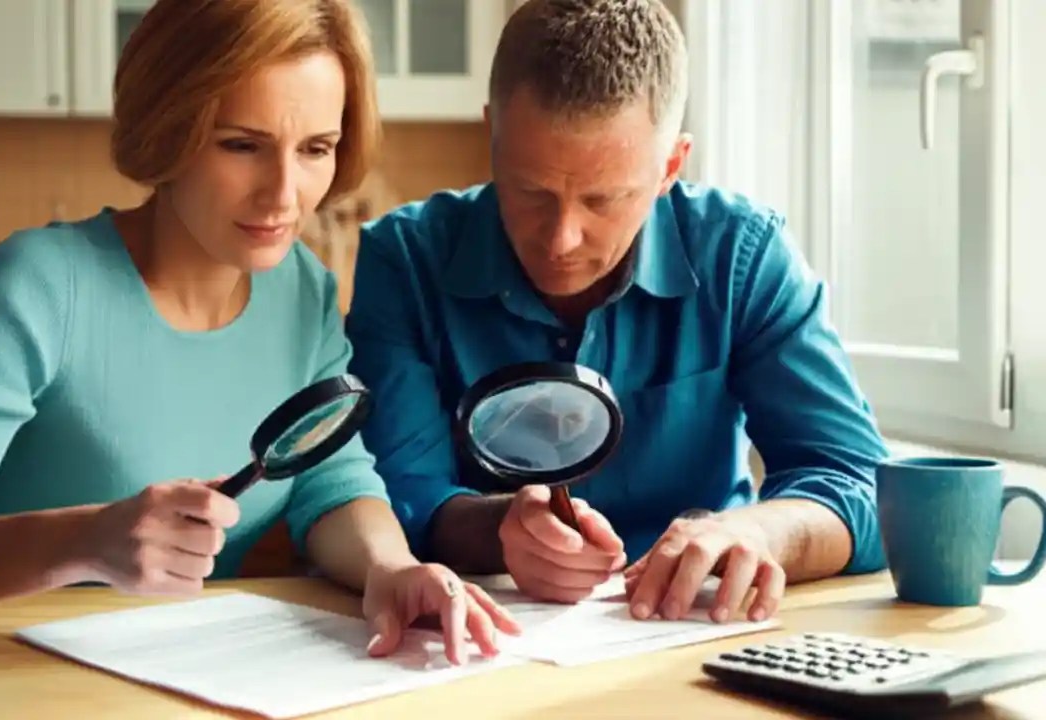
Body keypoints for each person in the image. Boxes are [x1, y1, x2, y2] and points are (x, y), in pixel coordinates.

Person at [0, 0, 519, 666]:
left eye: (316, 148)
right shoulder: (39, 285)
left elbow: (333, 480)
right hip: (2, 678)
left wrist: (390, 570)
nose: (284, 193)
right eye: (242, 145)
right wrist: (84, 540)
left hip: (183, 677)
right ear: (169, 129)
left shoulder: (303, 290)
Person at [345, 0, 890, 625]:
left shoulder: (742, 256)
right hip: (485, 639)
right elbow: (390, 499)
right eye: (530, 191)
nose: (561, 241)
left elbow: (862, 485)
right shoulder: (405, 260)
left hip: (692, 631)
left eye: (604, 199)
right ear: (491, 131)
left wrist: (764, 533)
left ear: (671, 167)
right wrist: (502, 529)